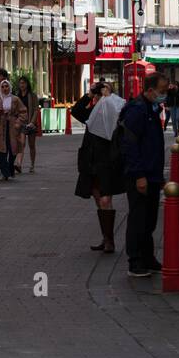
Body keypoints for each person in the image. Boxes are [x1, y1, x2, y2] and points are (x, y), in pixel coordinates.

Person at [120, 71, 170, 278]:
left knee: (149, 219)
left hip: (152, 173)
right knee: (138, 218)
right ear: (150, 90)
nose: (164, 94)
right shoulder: (137, 110)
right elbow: (130, 145)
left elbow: (154, 146)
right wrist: (139, 174)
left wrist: (158, 176)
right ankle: (135, 260)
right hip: (139, 174)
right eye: (162, 91)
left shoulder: (152, 107)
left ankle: (148, 257)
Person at [72, 82, 126, 252]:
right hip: (90, 161)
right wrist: (89, 94)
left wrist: (108, 95)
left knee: (105, 199)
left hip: (107, 161)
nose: (98, 97)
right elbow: (76, 111)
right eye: (97, 95)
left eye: (100, 94)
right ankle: (106, 237)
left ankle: (109, 240)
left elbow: (119, 110)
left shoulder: (114, 112)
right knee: (98, 198)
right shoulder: (91, 113)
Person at [0, 78, 28, 182]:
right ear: (0, 88)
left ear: (9, 87)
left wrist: (18, 123)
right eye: (2, 87)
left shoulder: (15, 99)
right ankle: (5, 174)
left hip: (12, 128)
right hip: (0, 129)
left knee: (13, 150)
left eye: (6, 86)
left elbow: (23, 112)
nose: (5, 88)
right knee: (2, 151)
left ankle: (10, 169)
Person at [14, 75, 40, 174]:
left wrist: (32, 122)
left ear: (27, 84)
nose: (22, 85)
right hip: (21, 123)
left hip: (31, 123)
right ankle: (19, 164)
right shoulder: (17, 96)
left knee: (32, 145)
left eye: (24, 83)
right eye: (20, 83)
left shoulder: (32, 95)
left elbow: (35, 110)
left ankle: (32, 165)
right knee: (22, 144)